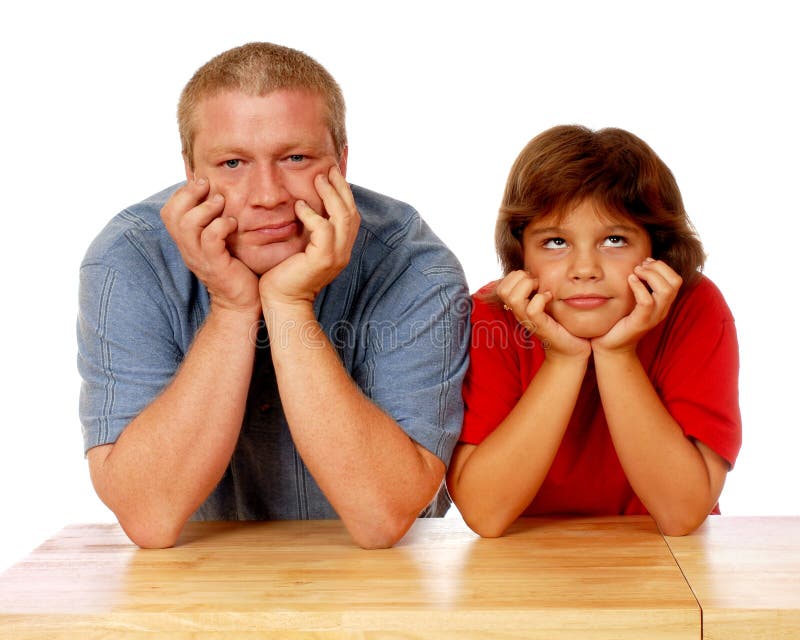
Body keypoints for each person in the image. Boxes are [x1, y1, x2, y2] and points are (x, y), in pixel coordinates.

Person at [77, 42, 470, 550]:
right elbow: (150, 517)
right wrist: (232, 306)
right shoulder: (129, 258)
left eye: (295, 157)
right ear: (191, 170)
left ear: (342, 162)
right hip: (199, 588)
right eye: (233, 162)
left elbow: (383, 517)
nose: (268, 194)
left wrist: (288, 305)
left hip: (382, 591)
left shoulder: (412, 265)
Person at [446, 125, 741, 538]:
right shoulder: (491, 317)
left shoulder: (695, 308)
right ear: (521, 255)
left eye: (615, 239)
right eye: (555, 242)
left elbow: (681, 513)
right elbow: (484, 513)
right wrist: (564, 359)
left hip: (667, 563)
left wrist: (617, 353)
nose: (585, 269)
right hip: (527, 561)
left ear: (657, 250)